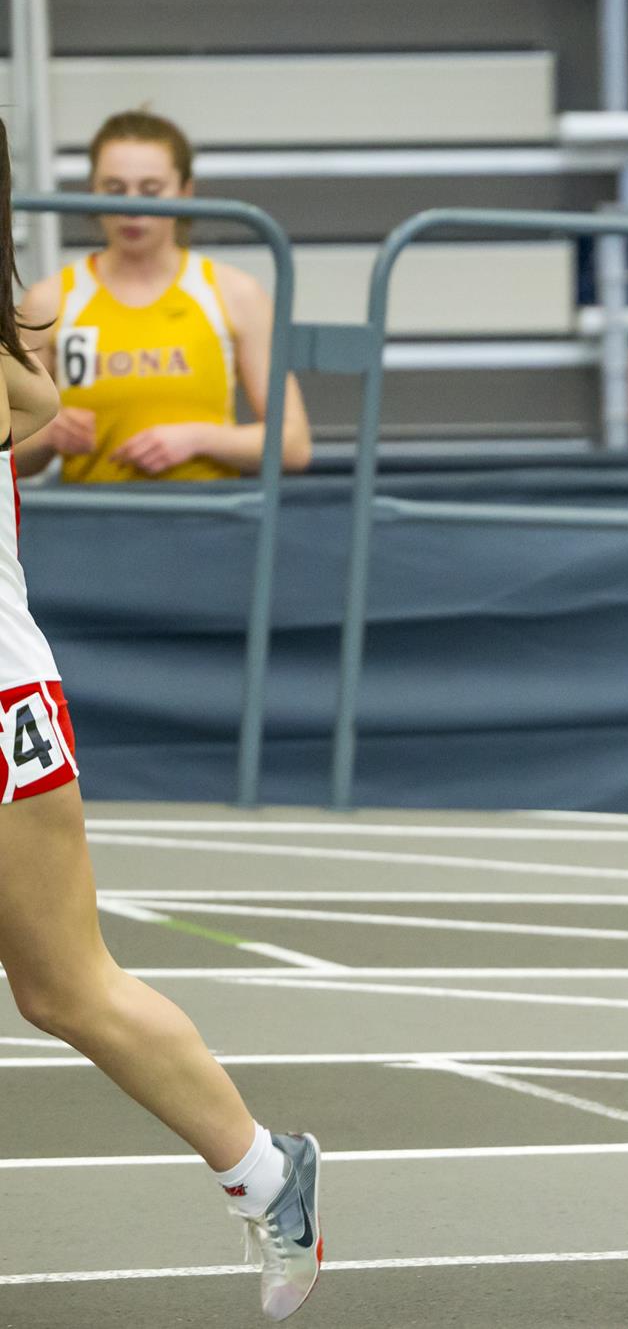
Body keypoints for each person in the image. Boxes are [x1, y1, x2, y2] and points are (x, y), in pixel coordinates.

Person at [0, 121, 321, 1322]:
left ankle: (265, 1169)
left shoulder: (17, 346)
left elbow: (26, 389)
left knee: (66, 985)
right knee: (56, 992)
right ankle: (267, 1167)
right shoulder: (40, 312)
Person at [14, 111, 311, 483]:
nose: (133, 208)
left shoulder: (234, 294)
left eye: (151, 190)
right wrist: (48, 436)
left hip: (207, 523)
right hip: (91, 523)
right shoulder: (51, 301)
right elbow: (10, 452)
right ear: (93, 191)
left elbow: (294, 444)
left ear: (185, 192)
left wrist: (201, 439)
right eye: (115, 189)